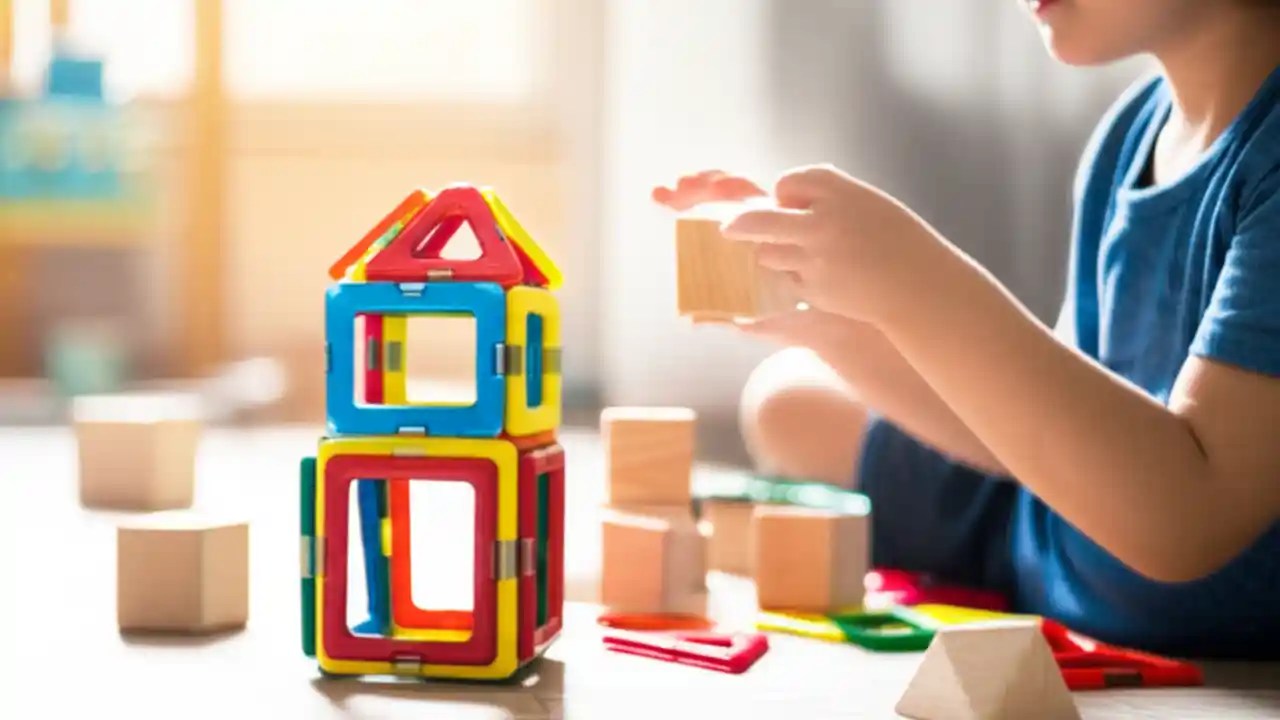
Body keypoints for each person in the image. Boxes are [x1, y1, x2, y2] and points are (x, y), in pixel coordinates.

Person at [653, 0, 1280, 659]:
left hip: (1163, 592)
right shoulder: (1131, 135)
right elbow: (1039, 430)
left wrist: (914, 281)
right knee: (785, 398)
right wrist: (829, 313)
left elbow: (1189, 521)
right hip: (1046, 534)